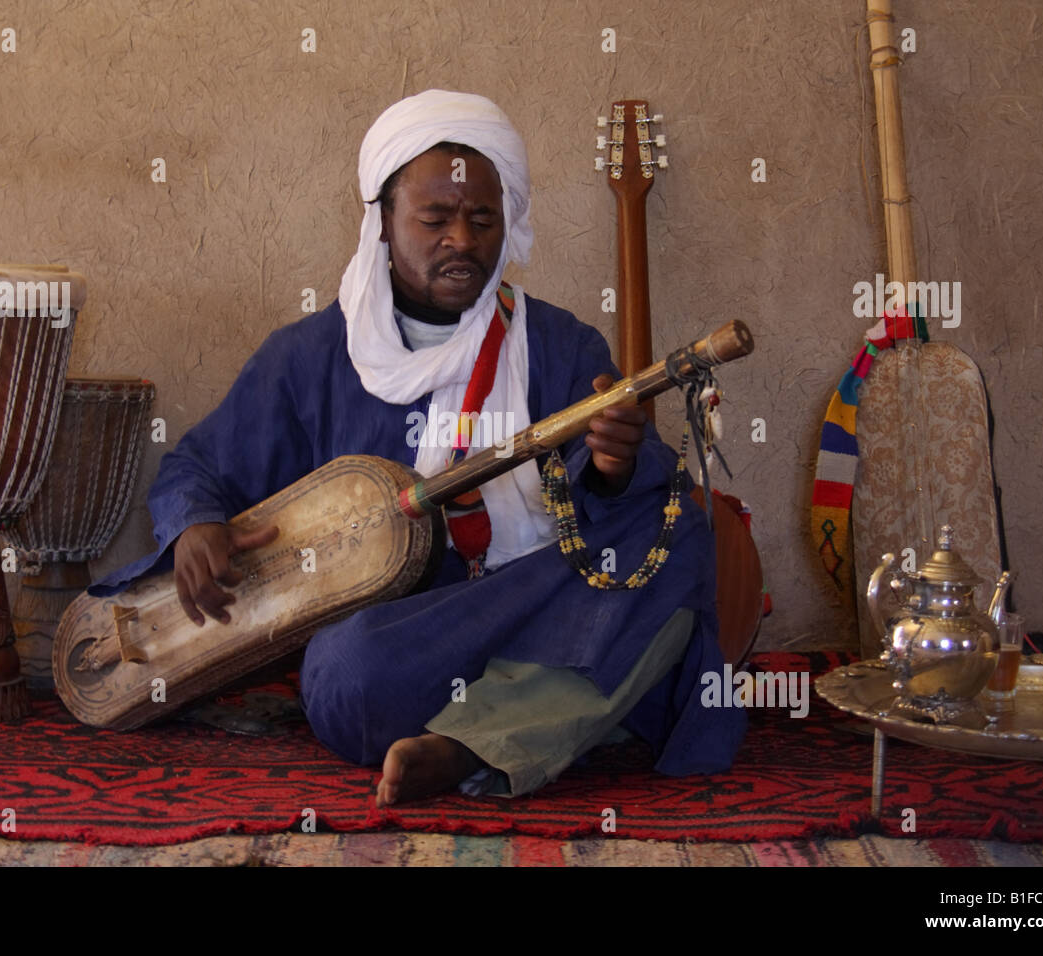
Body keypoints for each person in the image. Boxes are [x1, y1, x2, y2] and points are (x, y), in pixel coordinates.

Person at [92, 89, 746, 805]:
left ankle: (472, 745)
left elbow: (630, 503)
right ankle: (569, 708)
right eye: (435, 219)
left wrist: (619, 468)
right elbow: (198, 467)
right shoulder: (311, 357)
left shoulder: (561, 347)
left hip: (544, 602)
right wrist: (193, 525)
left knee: (680, 531)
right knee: (346, 674)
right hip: (416, 640)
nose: (461, 242)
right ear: (381, 221)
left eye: (482, 219)